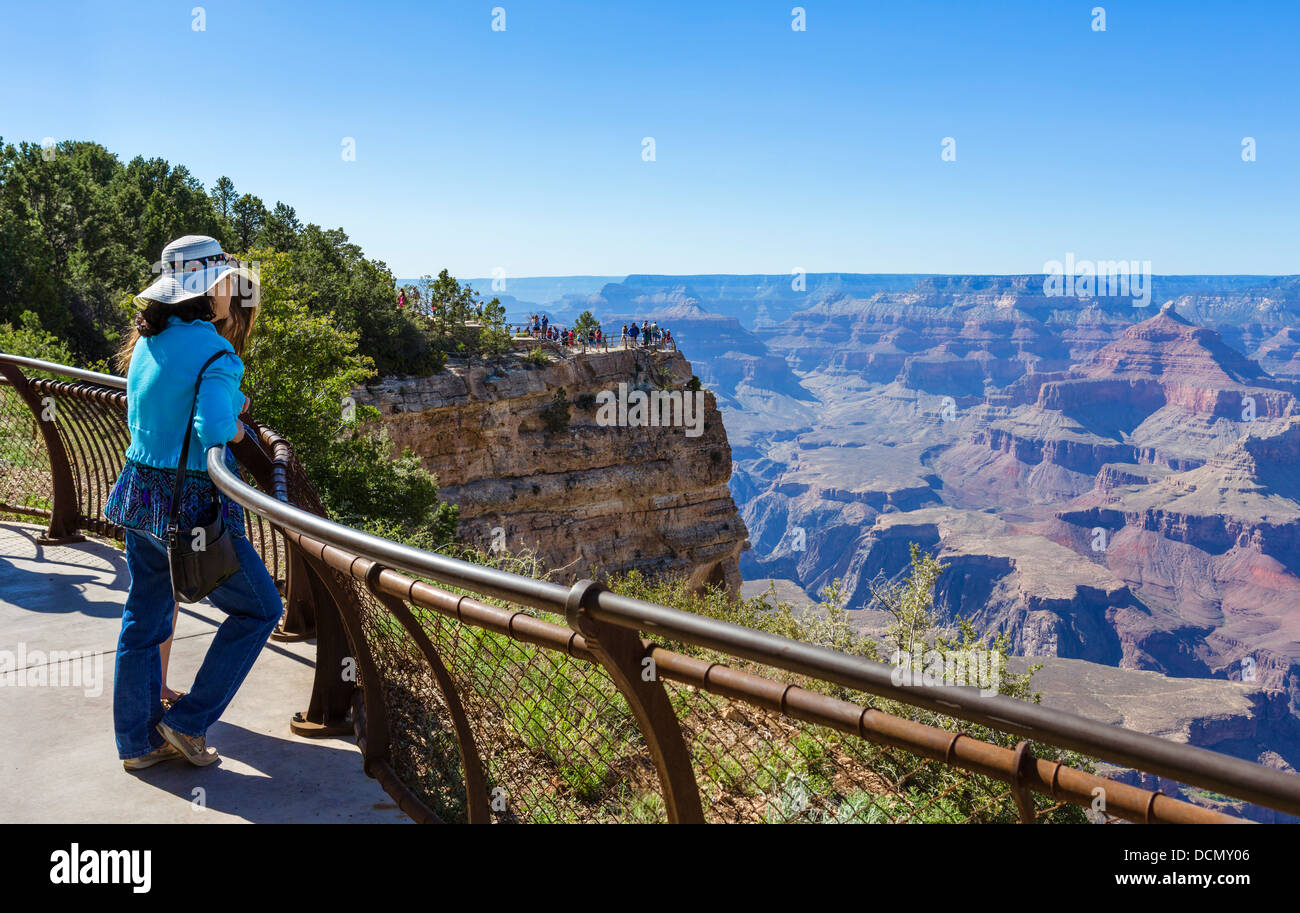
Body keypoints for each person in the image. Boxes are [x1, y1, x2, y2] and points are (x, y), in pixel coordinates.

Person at [105, 234, 282, 772]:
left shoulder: (147, 343)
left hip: (139, 494)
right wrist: (234, 405)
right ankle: (186, 723)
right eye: (227, 280)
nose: (233, 290)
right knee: (261, 609)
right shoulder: (216, 351)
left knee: (145, 615)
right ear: (207, 291)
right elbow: (214, 428)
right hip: (192, 507)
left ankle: (137, 744)